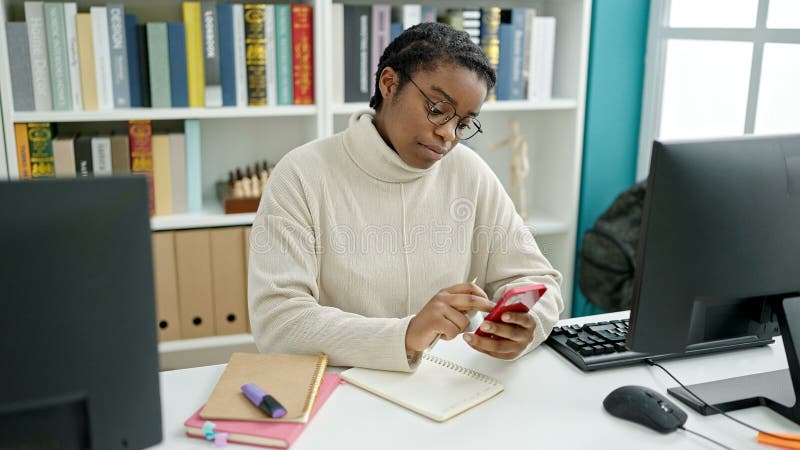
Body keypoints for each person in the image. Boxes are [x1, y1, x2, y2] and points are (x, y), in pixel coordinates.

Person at [248, 22, 563, 372]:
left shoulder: (468, 171)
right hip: (342, 389)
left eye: (463, 123)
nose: (447, 134)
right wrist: (407, 334)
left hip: (450, 380)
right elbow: (278, 322)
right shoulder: (302, 174)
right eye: (437, 108)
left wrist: (527, 325)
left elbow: (537, 280)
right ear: (389, 83)